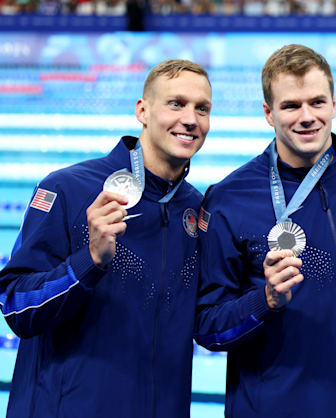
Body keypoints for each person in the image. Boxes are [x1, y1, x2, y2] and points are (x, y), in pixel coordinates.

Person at [0, 59, 212, 417]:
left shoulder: (197, 210)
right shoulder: (69, 188)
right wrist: (90, 261)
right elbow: (16, 305)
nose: (190, 119)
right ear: (142, 111)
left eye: (202, 108)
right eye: (176, 103)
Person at [194, 44, 336, 417]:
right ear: (269, 113)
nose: (307, 117)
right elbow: (207, 326)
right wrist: (265, 300)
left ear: (334, 103)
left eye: (317, 102)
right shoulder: (229, 199)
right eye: (290, 106)